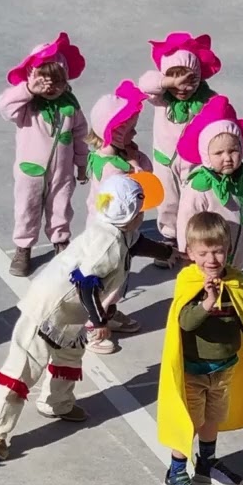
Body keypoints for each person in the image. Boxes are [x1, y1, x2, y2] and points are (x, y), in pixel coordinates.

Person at [0, 175, 176, 460]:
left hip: (69, 314)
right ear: (128, 212)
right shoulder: (106, 243)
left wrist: (169, 252)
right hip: (50, 309)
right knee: (25, 366)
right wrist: (101, 322)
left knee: (69, 355)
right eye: (140, 210)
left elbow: (137, 243)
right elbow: (86, 283)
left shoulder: (118, 231)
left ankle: (56, 403)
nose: (143, 215)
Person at [156, 212, 243, 485]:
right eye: (204, 252)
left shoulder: (235, 279)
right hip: (194, 370)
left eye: (218, 250)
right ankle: (176, 472)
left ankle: (206, 464)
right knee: (190, 422)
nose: (211, 258)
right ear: (190, 253)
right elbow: (185, 322)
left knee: (212, 419)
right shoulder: (189, 280)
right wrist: (207, 302)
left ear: (229, 249)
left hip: (224, 368)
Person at [0, 32, 89, 277]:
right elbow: (4, 107)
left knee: (60, 207)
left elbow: (80, 134)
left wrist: (81, 164)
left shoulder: (70, 104)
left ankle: (61, 241)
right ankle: (23, 248)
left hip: (62, 172)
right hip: (30, 172)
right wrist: (28, 89)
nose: (50, 86)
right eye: (43, 80)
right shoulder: (26, 105)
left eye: (57, 81)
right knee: (27, 209)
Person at [138, 32, 222, 267]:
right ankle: (169, 238)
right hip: (165, 160)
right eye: (175, 80)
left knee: (192, 204)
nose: (182, 87)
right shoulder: (162, 97)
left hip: (195, 164)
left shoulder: (208, 99)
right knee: (167, 201)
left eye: (189, 80)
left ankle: (192, 244)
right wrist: (168, 84)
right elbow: (144, 83)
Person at [81, 80, 151, 353]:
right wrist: (136, 164)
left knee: (117, 278)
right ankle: (93, 326)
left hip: (117, 230)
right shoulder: (114, 168)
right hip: (112, 232)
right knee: (107, 279)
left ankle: (108, 312)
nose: (134, 132)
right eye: (129, 127)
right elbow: (145, 185)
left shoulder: (106, 156)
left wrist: (133, 158)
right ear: (116, 131)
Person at [175, 95, 243, 270]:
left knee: (233, 272)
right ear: (206, 155)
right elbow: (185, 220)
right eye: (218, 153)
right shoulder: (199, 186)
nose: (227, 158)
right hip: (207, 255)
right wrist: (185, 251)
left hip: (238, 248)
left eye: (233, 150)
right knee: (207, 285)